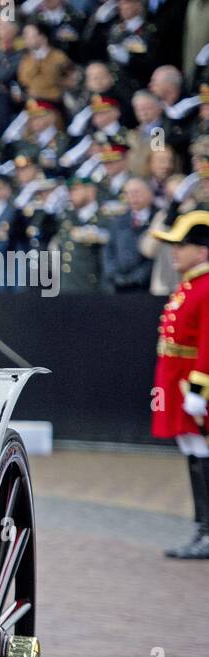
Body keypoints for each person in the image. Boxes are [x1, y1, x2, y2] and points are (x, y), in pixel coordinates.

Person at [149, 209, 209, 559]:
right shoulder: (191, 285)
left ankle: (207, 532)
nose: (175, 252)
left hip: (193, 387)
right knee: (193, 456)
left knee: (202, 457)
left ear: (202, 251)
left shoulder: (204, 288)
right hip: (177, 383)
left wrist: (200, 390)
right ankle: (202, 529)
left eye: (182, 245)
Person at [103, 177, 156, 290]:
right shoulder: (118, 221)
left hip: (146, 286)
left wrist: (138, 277)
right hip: (119, 287)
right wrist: (114, 275)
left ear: (149, 193)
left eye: (136, 192)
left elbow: (156, 255)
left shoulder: (157, 219)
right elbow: (109, 250)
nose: (132, 197)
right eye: (128, 193)